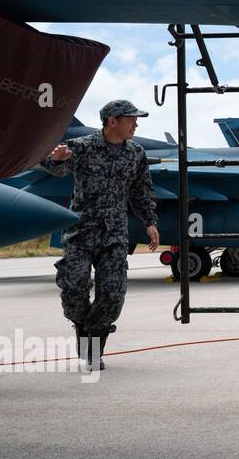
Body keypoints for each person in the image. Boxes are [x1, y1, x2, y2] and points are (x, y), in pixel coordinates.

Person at [43, 100, 160, 371]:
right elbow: (57, 168)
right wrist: (55, 159)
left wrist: (150, 222)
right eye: (131, 119)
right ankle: (83, 327)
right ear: (112, 121)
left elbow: (142, 190)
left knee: (112, 294)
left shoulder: (136, 153)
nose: (136, 124)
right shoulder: (83, 147)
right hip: (81, 232)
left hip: (115, 235)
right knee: (73, 289)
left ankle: (94, 349)